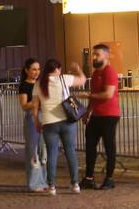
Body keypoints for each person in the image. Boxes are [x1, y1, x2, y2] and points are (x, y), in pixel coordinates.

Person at [33, 58, 89, 195]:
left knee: (52, 154)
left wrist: (36, 121)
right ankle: (75, 184)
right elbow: (83, 80)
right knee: (70, 152)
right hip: (67, 122)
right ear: (57, 69)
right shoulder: (64, 79)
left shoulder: (39, 84)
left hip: (48, 123)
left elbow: (35, 106)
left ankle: (51, 187)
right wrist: (77, 69)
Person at [82, 44, 121, 189]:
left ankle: (109, 178)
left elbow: (108, 94)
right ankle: (89, 177)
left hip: (110, 115)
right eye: (94, 54)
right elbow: (94, 97)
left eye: (97, 54)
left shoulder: (110, 72)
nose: (94, 57)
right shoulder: (96, 73)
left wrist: (88, 95)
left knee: (109, 146)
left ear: (106, 55)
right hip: (97, 115)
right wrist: (87, 113)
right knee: (90, 145)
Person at [18, 58, 49, 192]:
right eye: (34, 69)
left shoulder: (41, 84)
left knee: (44, 151)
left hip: (45, 118)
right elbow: (24, 105)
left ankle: (44, 181)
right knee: (33, 151)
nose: (37, 72)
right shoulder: (24, 85)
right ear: (27, 70)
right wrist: (37, 101)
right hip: (32, 118)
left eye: (38, 69)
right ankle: (34, 183)